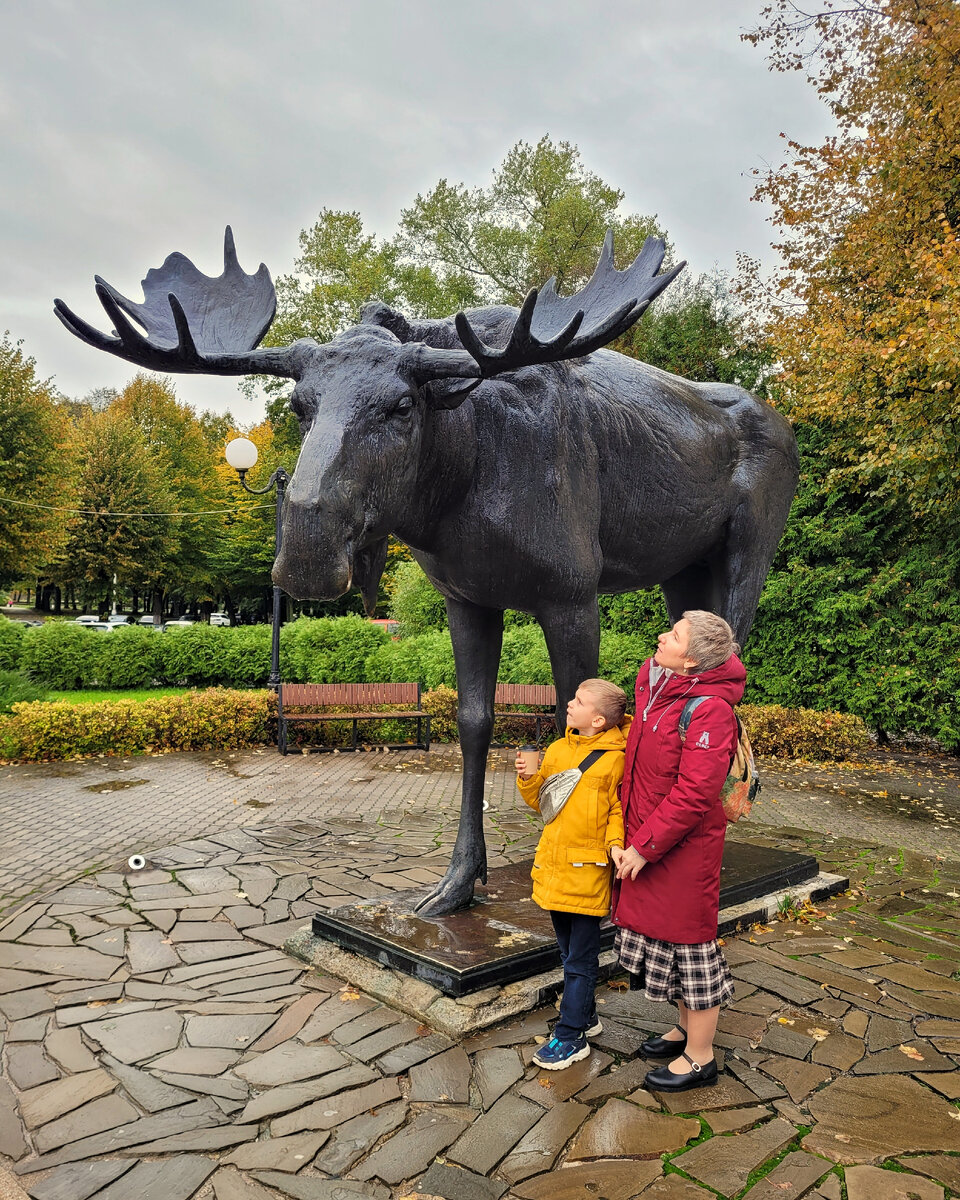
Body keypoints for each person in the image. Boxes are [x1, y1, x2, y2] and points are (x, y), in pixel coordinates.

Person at [611, 610, 744, 1093]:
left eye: (674, 636)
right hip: (649, 832)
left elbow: (695, 793)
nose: (662, 637)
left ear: (693, 661)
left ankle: (701, 1056)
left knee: (691, 947)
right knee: (666, 941)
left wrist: (644, 848)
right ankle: (685, 1030)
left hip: (684, 848)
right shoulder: (656, 677)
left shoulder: (711, 709)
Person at [516, 678, 630, 1070]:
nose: (569, 703)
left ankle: (571, 1035)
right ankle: (585, 1014)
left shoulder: (616, 757)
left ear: (597, 719)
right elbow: (543, 804)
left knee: (580, 959)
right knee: (567, 952)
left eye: (578, 700)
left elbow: (619, 808)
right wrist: (528, 779)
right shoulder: (558, 749)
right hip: (554, 864)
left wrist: (616, 843)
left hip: (587, 867)